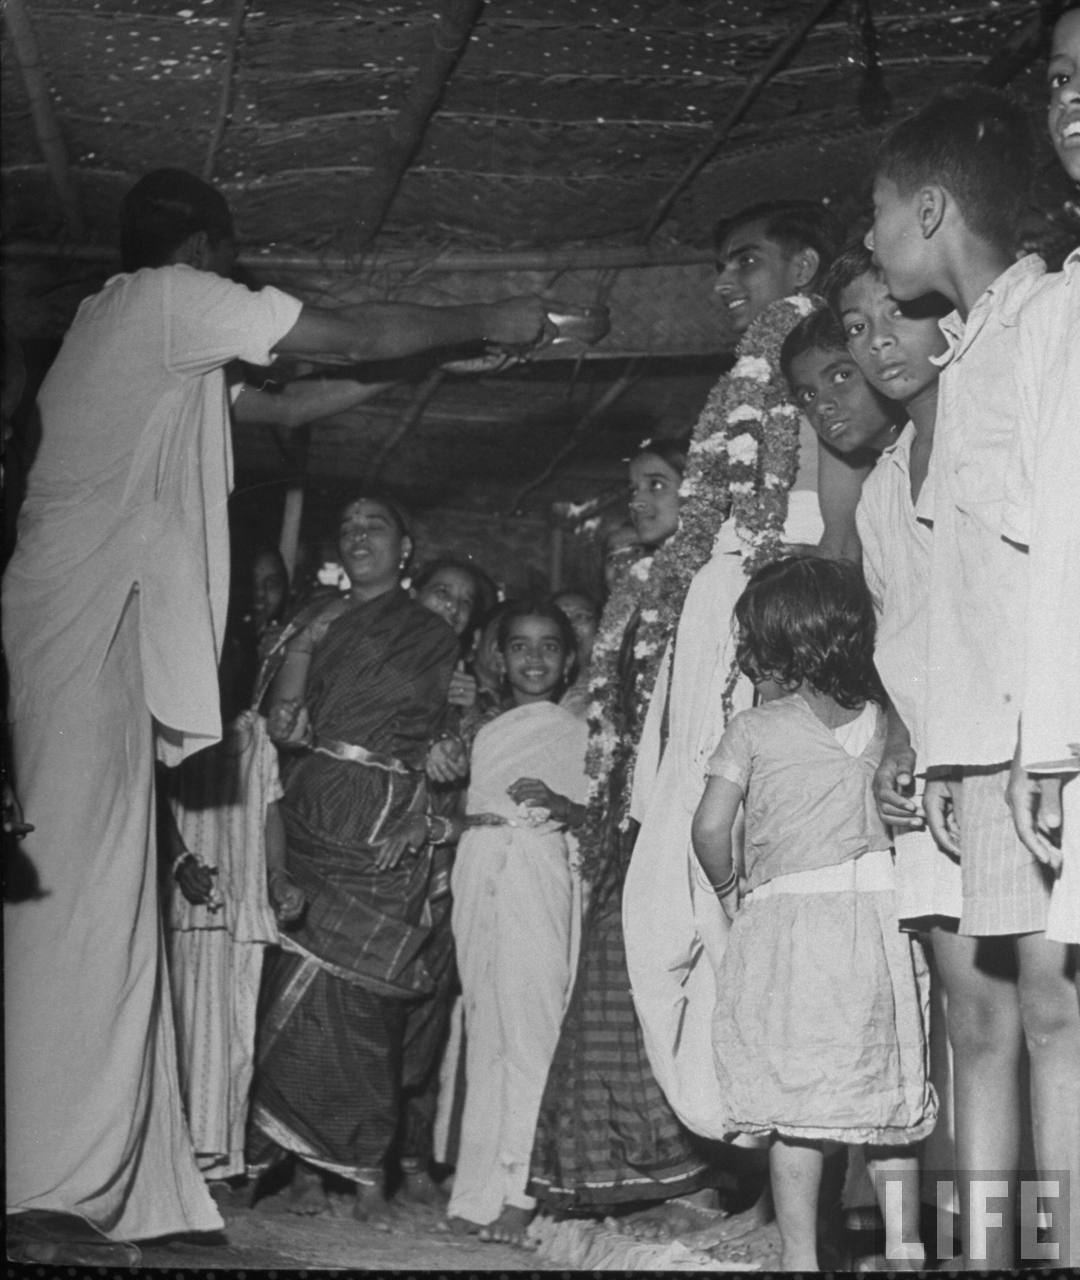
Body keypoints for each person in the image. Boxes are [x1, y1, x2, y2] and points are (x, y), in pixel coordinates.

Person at [1, 167, 549, 1256]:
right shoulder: (161, 298)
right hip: (74, 628)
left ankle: (119, 1177)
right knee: (67, 907)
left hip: (102, 635)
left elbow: (295, 400)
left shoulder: (140, 335)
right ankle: (40, 1182)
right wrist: (486, 316)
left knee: (113, 910)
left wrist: (440, 358)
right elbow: (340, 335)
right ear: (204, 247)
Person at [866, 84, 1080, 1267]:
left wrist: (1047, 742)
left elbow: (1058, 547)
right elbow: (960, 595)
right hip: (992, 743)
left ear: (934, 207)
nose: (869, 239)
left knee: (1054, 1005)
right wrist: (951, 745)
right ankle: (989, 1255)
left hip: (1047, 731)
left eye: (878, 212)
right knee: (994, 1011)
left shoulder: (1049, 316)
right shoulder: (978, 344)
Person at [622, 202, 861, 1195]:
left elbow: (839, 546)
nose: (727, 285)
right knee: (662, 917)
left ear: (804, 263)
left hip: (781, 645)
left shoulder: (825, 366)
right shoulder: (740, 384)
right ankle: (745, 1138)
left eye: (745, 263)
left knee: (769, 923)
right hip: (714, 643)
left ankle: (790, 1193)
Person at [690, 557, 937, 1271]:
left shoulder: (755, 729)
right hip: (880, 924)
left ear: (771, 646)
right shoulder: (886, 723)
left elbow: (710, 829)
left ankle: (800, 1258)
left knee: (794, 1110)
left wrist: (733, 887)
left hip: (791, 929)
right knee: (887, 1098)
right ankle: (905, 1250)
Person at [244, 494, 465, 1224]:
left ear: (406, 546)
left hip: (387, 825)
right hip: (311, 810)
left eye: (375, 525)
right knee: (291, 987)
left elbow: (448, 747)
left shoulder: (434, 635)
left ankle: (366, 1168)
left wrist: (427, 810)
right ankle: (298, 1168)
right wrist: (308, 641)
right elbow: (279, 722)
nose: (358, 535)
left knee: (368, 1003)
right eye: (348, 528)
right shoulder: (315, 617)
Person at [528, 438, 719, 1225]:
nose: (639, 501)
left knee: (658, 987)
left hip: (682, 815)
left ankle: (687, 1180)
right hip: (628, 824)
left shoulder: (708, 585)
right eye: (632, 487)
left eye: (657, 485)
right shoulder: (638, 595)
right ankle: (625, 1180)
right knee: (613, 988)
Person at [445, 598, 588, 1244]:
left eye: (549, 646)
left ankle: (525, 1193)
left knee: (533, 1030)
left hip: (537, 867)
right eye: (521, 646)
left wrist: (562, 804)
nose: (534, 658)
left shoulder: (580, 730)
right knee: (487, 1029)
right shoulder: (486, 729)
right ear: (499, 658)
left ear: (569, 660)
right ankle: (479, 1187)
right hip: (479, 865)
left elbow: (601, 819)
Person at [1005, 2, 1080, 962]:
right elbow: (1055, 540)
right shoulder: (1058, 306)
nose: (1074, 99)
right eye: (1061, 77)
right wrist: (1050, 739)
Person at [780, 305, 901, 459]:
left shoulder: (938, 442)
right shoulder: (882, 479)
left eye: (841, 376)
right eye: (809, 395)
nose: (821, 406)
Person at [552, 587, 600, 718]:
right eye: (560, 617)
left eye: (581, 617)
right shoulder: (535, 686)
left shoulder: (614, 687)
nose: (570, 625)